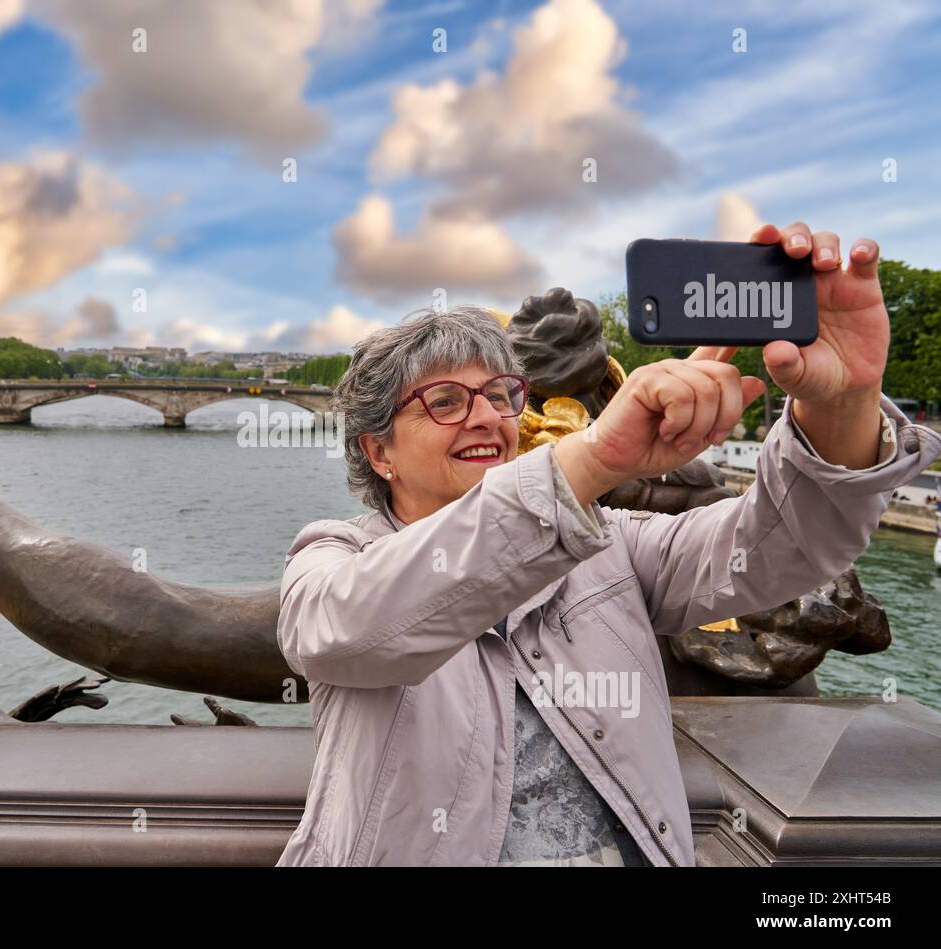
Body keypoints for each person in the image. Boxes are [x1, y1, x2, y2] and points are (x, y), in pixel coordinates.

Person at [273, 222, 941, 866]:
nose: (487, 417)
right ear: (377, 451)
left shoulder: (609, 546)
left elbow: (784, 549)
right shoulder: (329, 558)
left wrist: (843, 402)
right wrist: (595, 460)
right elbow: (359, 625)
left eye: (501, 394)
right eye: (445, 401)